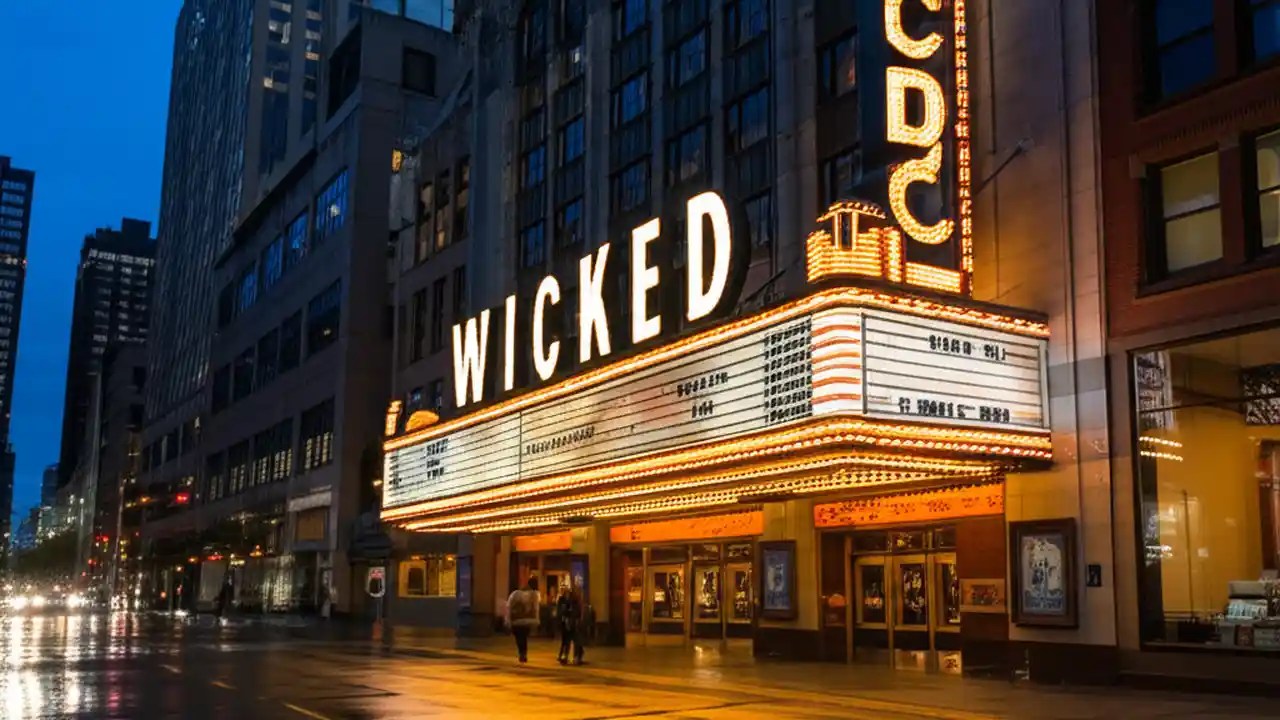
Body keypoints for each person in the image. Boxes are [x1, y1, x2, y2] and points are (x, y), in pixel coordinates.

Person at [506, 577, 541, 663]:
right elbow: (536, 609)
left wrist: (508, 620)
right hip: (526, 621)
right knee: (524, 637)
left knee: (519, 638)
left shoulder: (515, 594)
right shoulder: (534, 595)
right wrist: (536, 620)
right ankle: (523, 653)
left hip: (516, 621)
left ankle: (521, 653)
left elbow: (509, 607)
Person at [556, 586, 585, 665]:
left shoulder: (575, 601)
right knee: (567, 641)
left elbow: (577, 612)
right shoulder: (565, 601)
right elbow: (561, 611)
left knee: (575, 641)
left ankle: (576, 656)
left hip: (573, 623)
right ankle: (566, 656)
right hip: (567, 623)